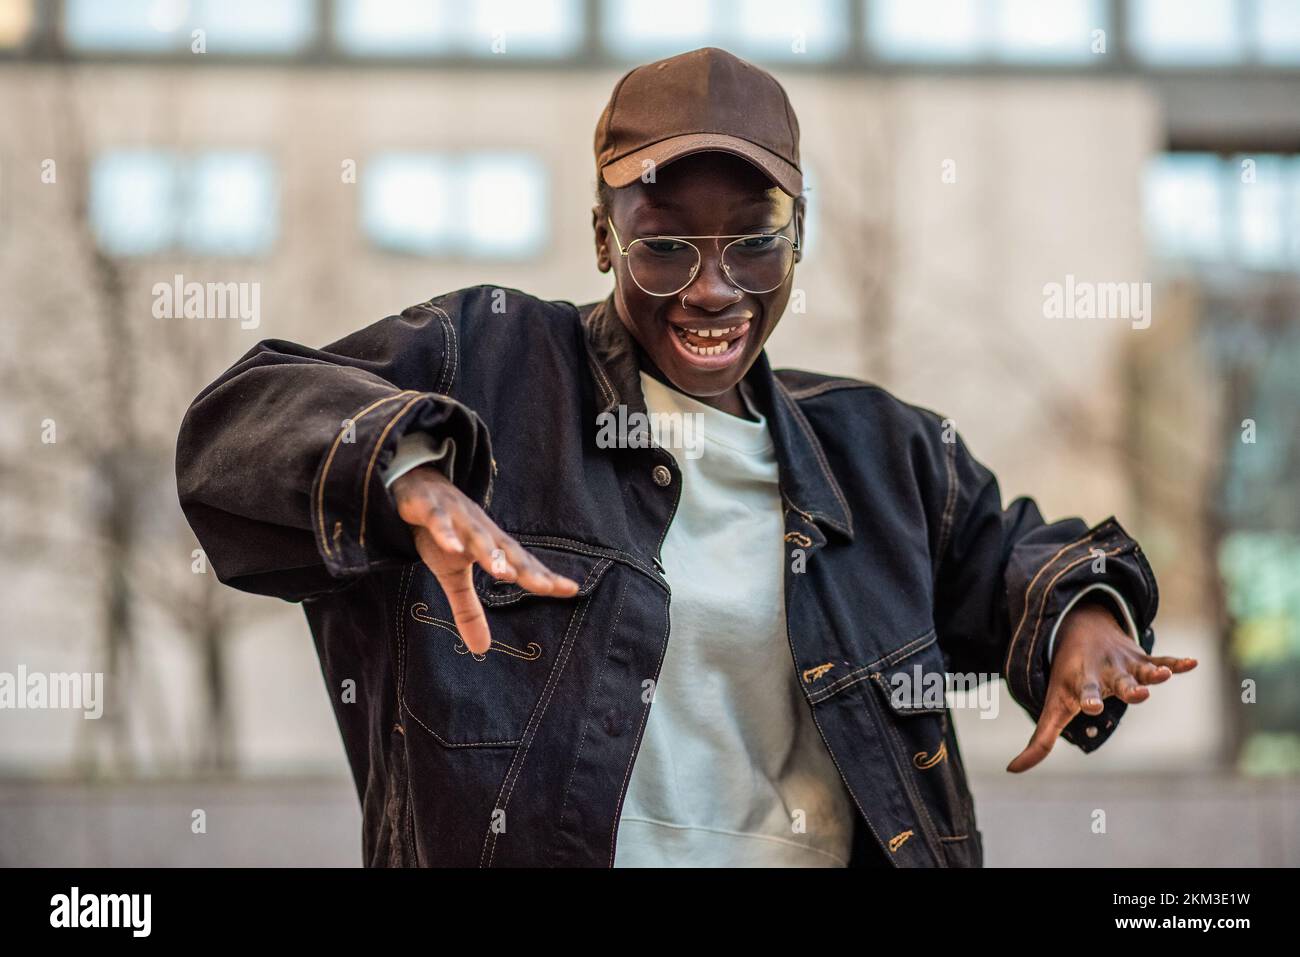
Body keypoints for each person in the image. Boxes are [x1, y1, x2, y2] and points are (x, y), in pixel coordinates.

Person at [175, 47, 1196, 868]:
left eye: (753, 242)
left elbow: (1014, 557)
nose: (714, 290)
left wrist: (1085, 613)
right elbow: (237, 424)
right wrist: (405, 473)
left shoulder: (883, 454)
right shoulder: (489, 360)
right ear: (602, 238)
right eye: (664, 246)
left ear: (797, 244)